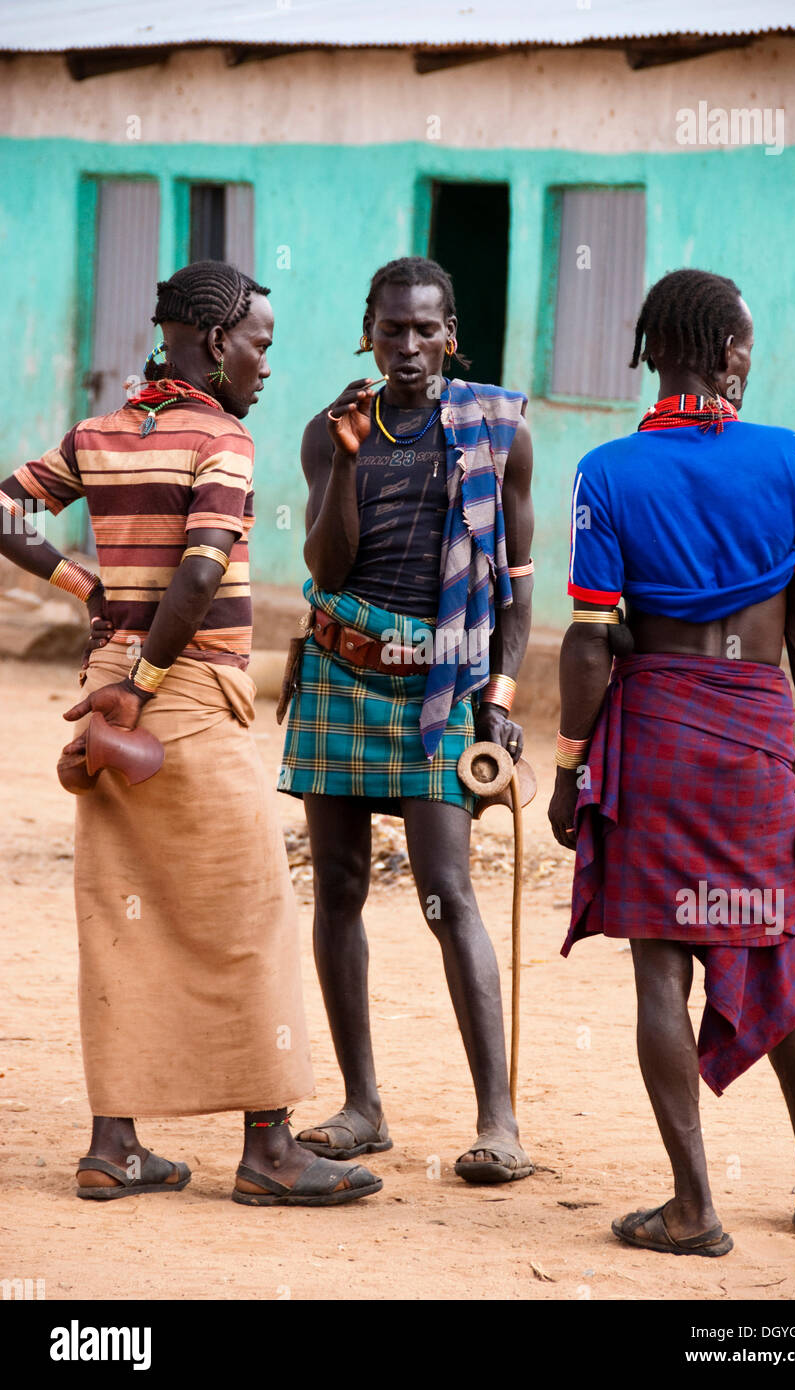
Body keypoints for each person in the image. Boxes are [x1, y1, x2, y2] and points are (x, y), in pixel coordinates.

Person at [0, 260, 381, 1207]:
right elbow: (203, 574)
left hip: (110, 702)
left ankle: (116, 1147)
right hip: (184, 699)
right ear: (215, 343)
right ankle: (270, 1149)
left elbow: (5, 509)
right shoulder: (226, 438)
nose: (262, 366)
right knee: (250, 915)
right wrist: (148, 676)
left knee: (121, 919)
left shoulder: (96, 435)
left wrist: (93, 595)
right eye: (259, 345)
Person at [548, 268, 795, 1255]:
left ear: (652, 352)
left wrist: (568, 770)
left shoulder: (606, 471)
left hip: (653, 729)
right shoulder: (793, 466)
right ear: (730, 353)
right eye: (748, 342)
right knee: (775, 944)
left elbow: (593, 640)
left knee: (659, 966)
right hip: (755, 732)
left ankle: (694, 1207)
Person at [278, 256, 535, 1181]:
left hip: (443, 686)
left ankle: (499, 1122)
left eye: (427, 329)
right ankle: (361, 1105)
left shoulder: (495, 431)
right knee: (338, 888)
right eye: (394, 329)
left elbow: (517, 586)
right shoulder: (330, 432)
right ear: (368, 329)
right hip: (341, 672)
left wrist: (500, 701)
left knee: (447, 894)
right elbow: (328, 568)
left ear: (451, 332)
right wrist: (346, 464)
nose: (411, 347)